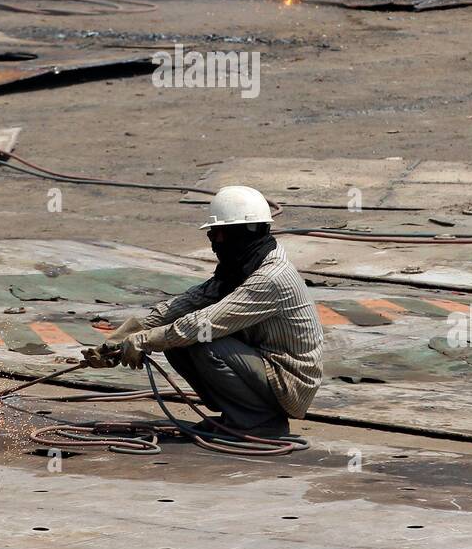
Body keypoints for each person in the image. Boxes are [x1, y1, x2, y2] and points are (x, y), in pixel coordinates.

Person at [96, 185, 323, 437]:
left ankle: (260, 423)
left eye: (218, 234)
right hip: (263, 366)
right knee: (179, 340)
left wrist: (144, 341)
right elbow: (186, 303)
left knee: (203, 340)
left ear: (239, 233)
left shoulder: (271, 277)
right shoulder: (240, 267)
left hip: (289, 382)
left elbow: (200, 324)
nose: (215, 242)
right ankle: (237, 415)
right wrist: (118, 340)